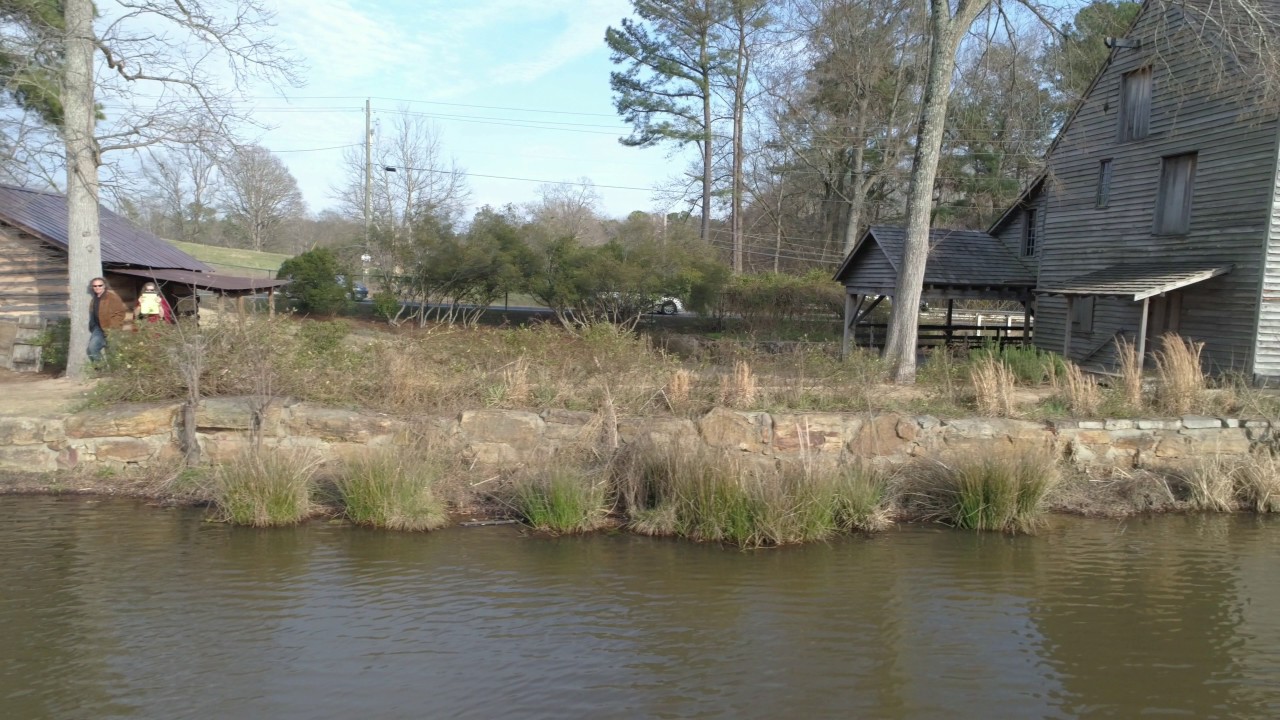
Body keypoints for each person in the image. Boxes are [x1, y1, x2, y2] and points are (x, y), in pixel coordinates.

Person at [87, 277, 126, 362]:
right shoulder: (94, 299)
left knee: (112, 352)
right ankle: (102, 368)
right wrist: (93, 326)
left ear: (104, 286)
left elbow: (120, 313)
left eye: (100, 285)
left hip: (111, 328)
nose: (97, 287)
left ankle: (115, 369)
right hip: (98, 329)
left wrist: (114, 327)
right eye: (95, 286)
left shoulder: (112, 297)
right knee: (92, 348)